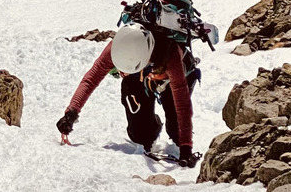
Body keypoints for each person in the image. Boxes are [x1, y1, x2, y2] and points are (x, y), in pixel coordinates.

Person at [55, 23, 201, 167]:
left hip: (173, 79)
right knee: (140, 136)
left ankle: (172, 129)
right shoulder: (117, 46)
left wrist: (185, 146)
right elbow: (92, 78)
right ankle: (151, 127)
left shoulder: (170, 53)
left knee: (176, 132)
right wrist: (71, 113)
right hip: (138, 79)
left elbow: (182, 103)